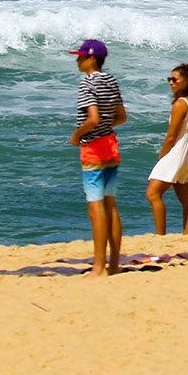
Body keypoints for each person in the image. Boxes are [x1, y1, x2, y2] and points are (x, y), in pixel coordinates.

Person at [69, 39, 126, 278]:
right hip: (110, 145)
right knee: (111, 206)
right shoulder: (111, 80)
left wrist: (77, 135)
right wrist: (104, 126)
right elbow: (121, 116)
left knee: (96, 210)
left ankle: (99, 266)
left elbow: (91, 118)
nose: (77, 60)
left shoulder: (87, 84)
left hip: (93, 148)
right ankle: (113, 265)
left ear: (91, 59)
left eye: (81, 56)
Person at [146, 63, 188, 234]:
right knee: (187, 200)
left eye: (175, 79)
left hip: (178, 151)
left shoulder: (180, 104)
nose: (171, 82)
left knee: (153, 194)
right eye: (169, 79)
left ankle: (160, 234)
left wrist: (162, 157)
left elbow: (171, 136)